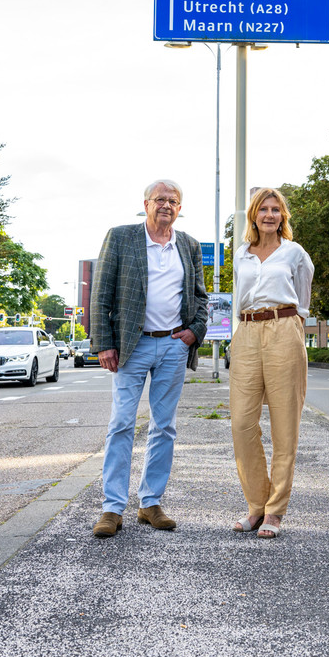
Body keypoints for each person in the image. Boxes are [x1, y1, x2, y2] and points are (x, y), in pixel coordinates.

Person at [90, 179, 208, 539]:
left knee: (164, 426)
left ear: (180, 208)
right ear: (146, 204)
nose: (166, 205)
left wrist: (195, 331)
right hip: (132, 345)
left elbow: (200, 297)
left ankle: (150, 503)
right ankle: (112, 508)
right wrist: (103, 343)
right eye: (160, 199)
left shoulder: (188, 245)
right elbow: (101, 293)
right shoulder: (121, 237)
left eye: (173, 201)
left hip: (173, 345)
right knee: (121, 424)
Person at [229, 188, 314, 540]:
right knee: (241, 424)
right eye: (263, 209)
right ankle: (256, 504)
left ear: (283, 216)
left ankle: (274, 510)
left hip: (284, 328)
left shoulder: (295, 253)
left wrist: (290, 327)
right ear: (253, 214)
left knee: (284, 427)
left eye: (275, 209)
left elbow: (303, 299)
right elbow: (239, 297)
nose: (269, 215)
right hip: (247, 331)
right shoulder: (241, 254)